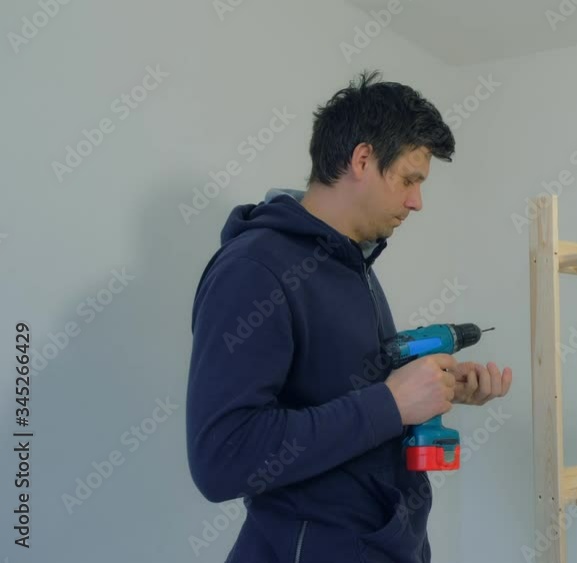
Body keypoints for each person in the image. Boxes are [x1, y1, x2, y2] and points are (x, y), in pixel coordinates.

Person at [185, 69, 513, 563]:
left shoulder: (351, 261)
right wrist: (392, 402)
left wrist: (434, 389)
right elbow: (222, 458)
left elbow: (340, 391)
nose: (417, 202)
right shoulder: (254, 270)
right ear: (362, 159)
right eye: (409, 179)